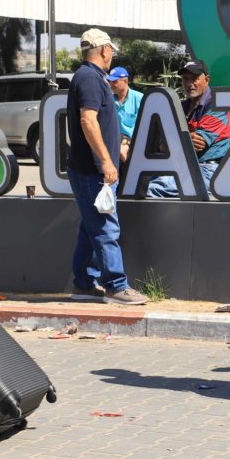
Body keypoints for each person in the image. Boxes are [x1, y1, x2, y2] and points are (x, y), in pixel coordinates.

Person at [65, 28, 148, 306]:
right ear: (104, 50)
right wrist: (105, 161)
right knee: (105, 227)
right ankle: (115, 285)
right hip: (93, 171)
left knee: (91, 228)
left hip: (90, 169)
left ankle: (84, 283)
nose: (111, 54)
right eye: (111, 50)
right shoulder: (90, 78)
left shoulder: (90, 77)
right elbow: (88, 121)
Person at [145, 61, 230, 198]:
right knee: (136, 188)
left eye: (195, 78)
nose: (189, 83)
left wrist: (172, 139)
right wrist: (179, 140)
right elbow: (162, 144)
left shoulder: (217, 105)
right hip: (181, 167)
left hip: (209, 170)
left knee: (151, 190)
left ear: (206, 80)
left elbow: (197, 144)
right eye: (185, 78)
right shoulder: (181, 106)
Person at [107, 66, 143, 164]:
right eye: (110, 81)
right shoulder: (108, 99)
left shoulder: (140, 98)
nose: (111, 85)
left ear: (125, 81)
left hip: (134, 143)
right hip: (115, 142)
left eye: (114, 82)